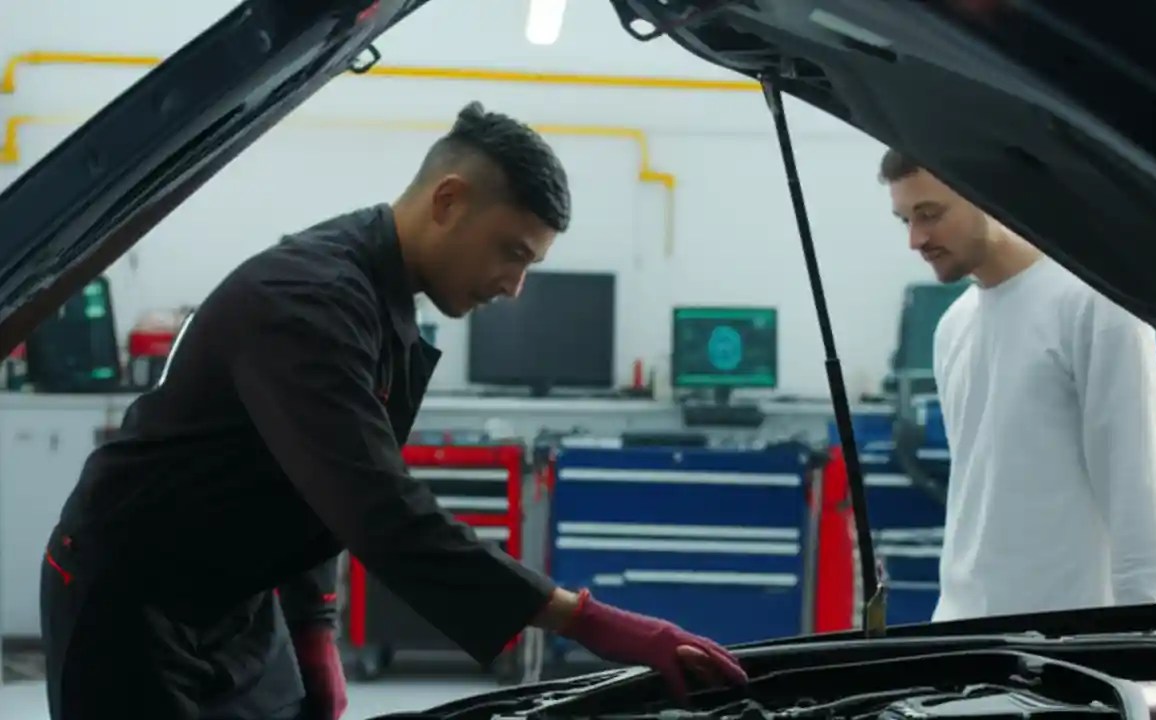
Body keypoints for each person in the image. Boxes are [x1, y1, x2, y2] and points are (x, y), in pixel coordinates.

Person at [41, 102, 747, 720]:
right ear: (447, 200)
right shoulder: (308, 300)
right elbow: (380, 512)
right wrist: (594, 622)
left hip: (238, 598)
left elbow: (304, 484)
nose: (515, 287)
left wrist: (314, 628)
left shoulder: (381, 302)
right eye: (511, 253)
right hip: (133, 603)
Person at [877, 148, 1156, 623]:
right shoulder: (953, 327)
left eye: (930, 214)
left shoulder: (1094, 306)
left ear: (988, 196)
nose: (916, 239)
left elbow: (1140, 494)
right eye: (904, 221)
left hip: (1068, 646)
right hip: (963, 635)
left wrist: (1151, 641)